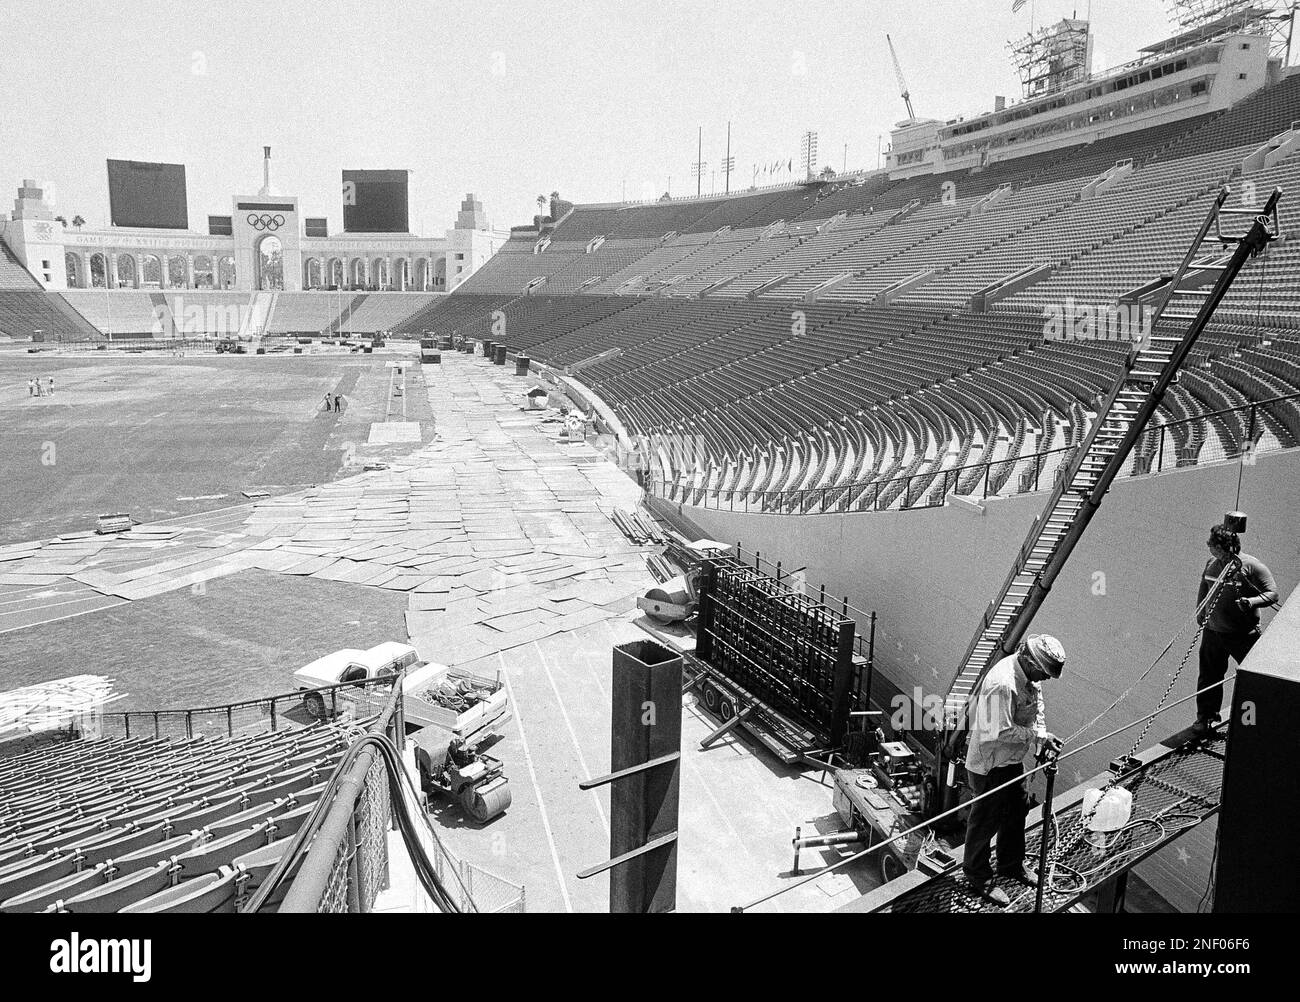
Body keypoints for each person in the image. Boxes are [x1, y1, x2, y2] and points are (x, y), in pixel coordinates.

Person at [962, 634, 1066, 905]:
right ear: (1029, 661)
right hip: (990, 764)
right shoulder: (1003, 684)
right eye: (1043, 673)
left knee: (1016, 812)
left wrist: (1040, 735)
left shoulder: (1029, 676)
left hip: (1011, 761)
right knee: (986, 822)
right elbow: (999, 730)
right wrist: (1039, 737)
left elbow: (1038, 705)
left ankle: (1011, 864)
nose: (1045, 679)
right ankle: (977, 875)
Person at [1192, 524, 1277, 736]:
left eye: (1212, 544)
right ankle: (1206, 717)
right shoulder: (1212, 563)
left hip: (1242, 635)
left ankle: (1254, 720)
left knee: (1253, 678)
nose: (1208, 546)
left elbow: (1272, 594)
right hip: (1213, 632)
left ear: (1226, 547)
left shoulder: (1252, 566)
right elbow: (1205, 585)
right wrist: (1200, 609)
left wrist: (1251, 601)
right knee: (1208, 677)